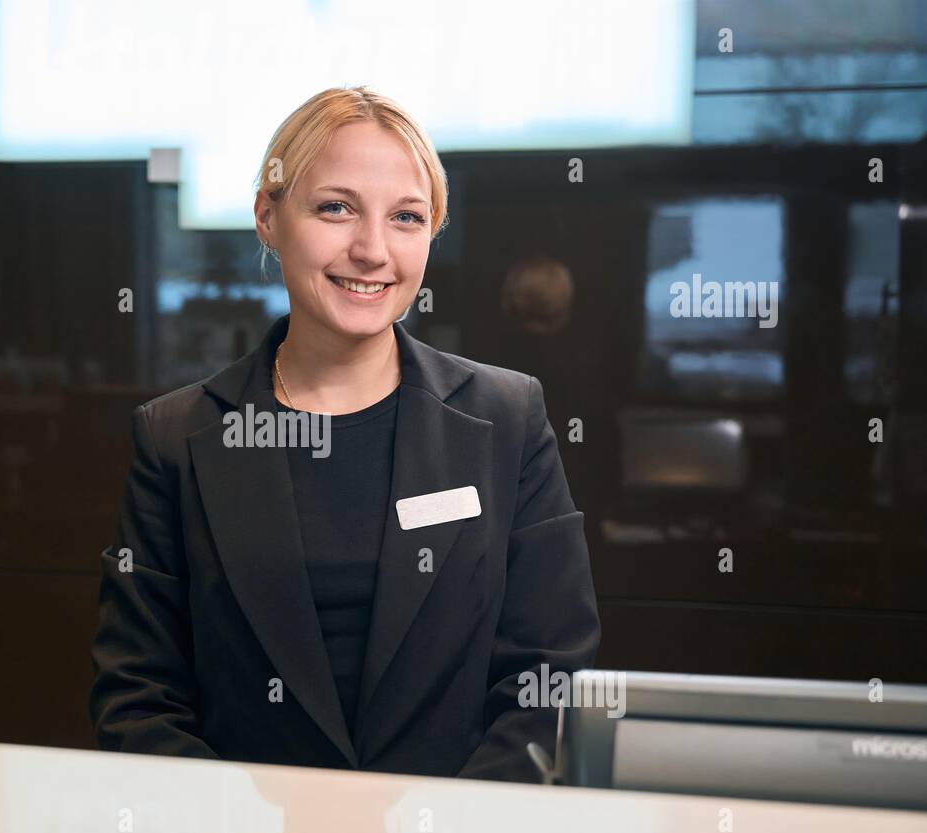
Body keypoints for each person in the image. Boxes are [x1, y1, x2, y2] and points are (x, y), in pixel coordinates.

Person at [89, 86, 600, 783]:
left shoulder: (507, 420)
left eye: (406, 218)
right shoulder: (174, 439)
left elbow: (549, 682)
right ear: (268, 216)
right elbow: (138, 702)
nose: (372, 250)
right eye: (336, 208)